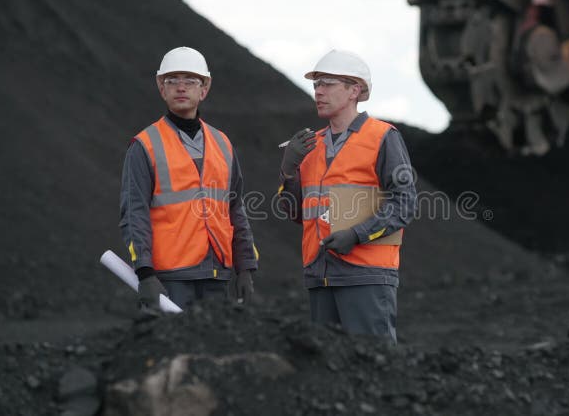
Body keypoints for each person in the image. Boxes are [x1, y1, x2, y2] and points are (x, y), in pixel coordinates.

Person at [277, 50, 416, 342]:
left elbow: (405, 204)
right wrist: (288, 172)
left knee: (372, 360)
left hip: (366, 276)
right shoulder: (310, 145)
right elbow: (296, 214)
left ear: (354, 90)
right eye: (316, 85)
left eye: (328, 84)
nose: (319, 91)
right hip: (320, 274)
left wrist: (356, 235)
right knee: (327, 364)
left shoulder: (382, 137)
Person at [120, 46, 258, 311]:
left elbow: (236, 210)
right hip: (169, 280)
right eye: (172, 80)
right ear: (162, 89)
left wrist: (245, 267)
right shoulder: (145, 145)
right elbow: (134, 214)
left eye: (190, 81)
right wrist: (145, 272)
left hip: (216, 277)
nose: (181, 87)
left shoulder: (223, 144)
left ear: (204, 89)